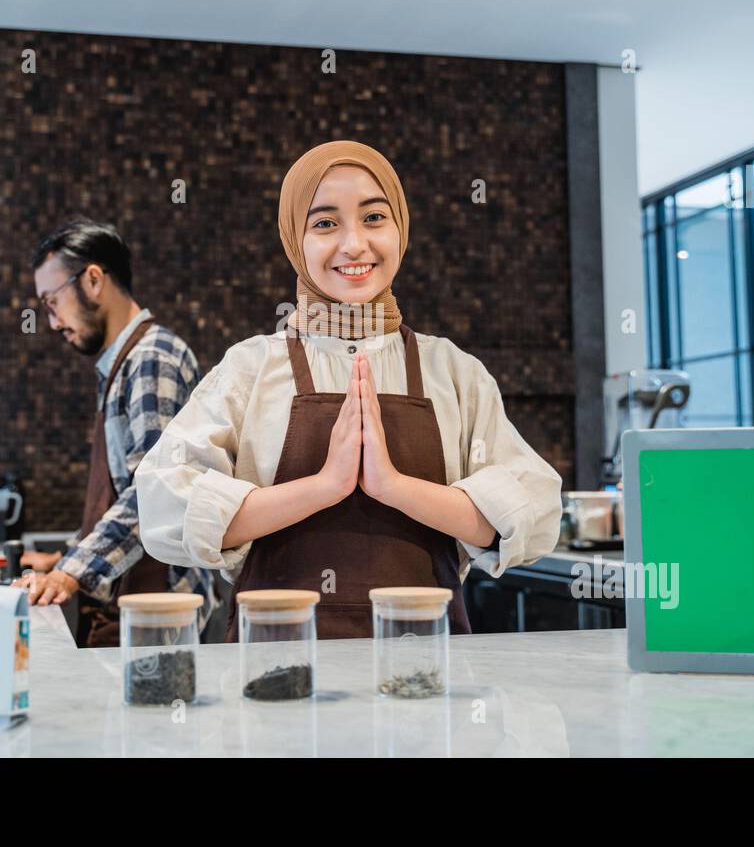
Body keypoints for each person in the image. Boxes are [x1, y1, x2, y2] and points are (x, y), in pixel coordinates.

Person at [135, 141, 561, 640]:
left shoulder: (453, 370)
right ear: (295, 240)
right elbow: (163, 504)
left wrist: (395, 487)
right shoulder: (250, 368)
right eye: (325, 223)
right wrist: (323, 487)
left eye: (374, 217)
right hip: (277, 667)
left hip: (424, 669)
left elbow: (531, 515)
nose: (354, 244)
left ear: (401, 228)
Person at [18, 219, 216, 646]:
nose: (52, 322)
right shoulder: (123, 364)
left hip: (160, 608)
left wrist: (72, 572)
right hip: (134, 600)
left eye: (52, 302)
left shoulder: (152, 358)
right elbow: (123, 486)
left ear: (92, 280)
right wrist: (68, 554)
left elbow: (156, 490)